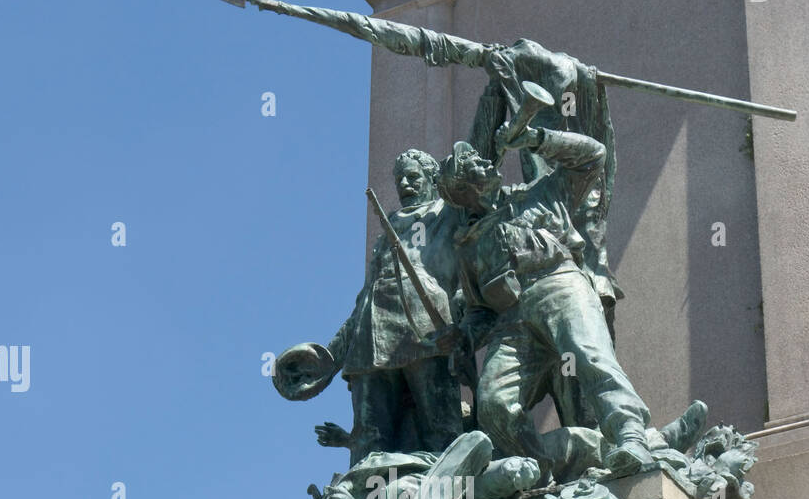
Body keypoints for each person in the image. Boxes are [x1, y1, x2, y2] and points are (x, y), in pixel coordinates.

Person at [436, 128, 654, 479]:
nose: (484, 162)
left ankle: (630, 436)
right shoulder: (469, 245)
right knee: (492, 404)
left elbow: (593, 156)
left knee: (591, 356)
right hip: (511, 320)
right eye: (472, 164)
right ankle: (541, 471)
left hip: (560, 285)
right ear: (461, 189)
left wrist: (538, 139)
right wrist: (462, 336)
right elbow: (479, 311)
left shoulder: (542, 191)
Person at [274, 149, 465, 462]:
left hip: (426, 327)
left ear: (434, 179)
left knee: (441, 431)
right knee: (371, 437)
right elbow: (364, 298)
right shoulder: (386, 231)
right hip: (372, 335)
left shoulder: (447, 213)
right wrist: (328, 358)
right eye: (399, 178)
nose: (405, 184)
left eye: (413, 177)